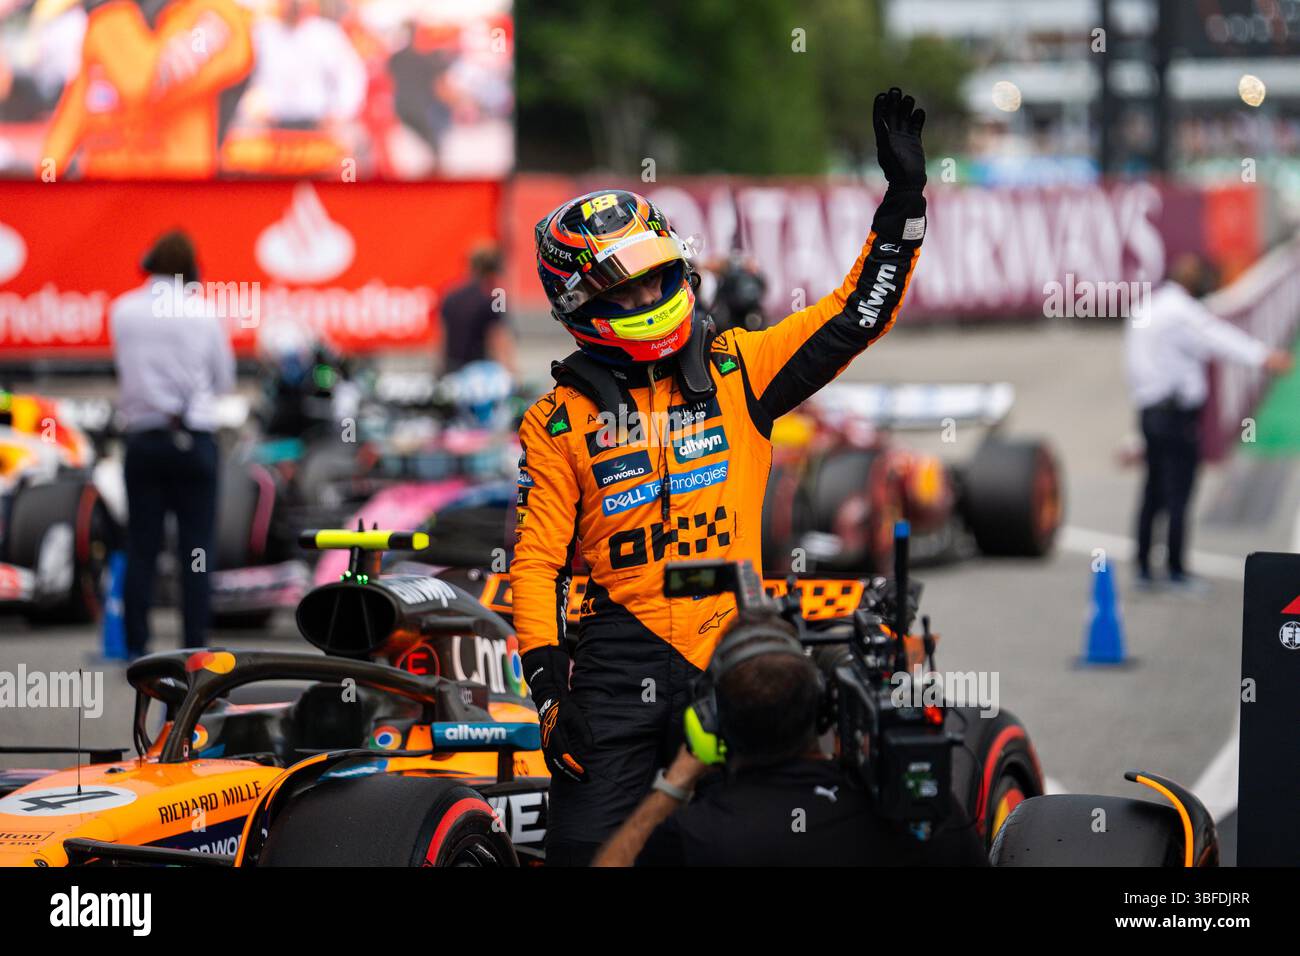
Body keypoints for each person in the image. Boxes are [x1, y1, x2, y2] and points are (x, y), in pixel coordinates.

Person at [511, 88, 929, 865]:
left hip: (734, 646)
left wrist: (903, 203)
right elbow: (534, 562)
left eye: (654, 278)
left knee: (764, 845)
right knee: (584, 852)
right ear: (577, 300)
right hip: (612, 660)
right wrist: (546, 685)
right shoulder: (556, 419)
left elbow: (855, 314)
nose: (646, 299)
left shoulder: (742, 366)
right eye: (623, 290)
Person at [591, 612, 989, 866]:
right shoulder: (920, 814)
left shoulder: (696, 839)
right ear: (823, 711)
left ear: (711, 724)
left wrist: (675, 782)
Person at [1125, 253, 1293, 590]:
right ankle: (1174, 571)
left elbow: (1134, 363)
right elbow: (1220, 339)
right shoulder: (1181, 312)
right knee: (1177, 495)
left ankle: (1144, 566)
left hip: (1149, 411)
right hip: (1175, 418)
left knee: (1153, 492)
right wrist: (1264, 357)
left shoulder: (1148, 307)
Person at [111, 230, 235, 657]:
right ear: (192, 270)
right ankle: (195, 648)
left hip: (143, 440)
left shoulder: (122, 310)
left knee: (141, 545)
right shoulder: (203, 313)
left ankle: (135, 646)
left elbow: (123, 368)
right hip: (194, 443)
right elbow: (224, 381)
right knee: (196, 549)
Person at [438, 242, 516, 375]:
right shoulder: (497, 296)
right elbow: (499, 339)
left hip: (451, 371)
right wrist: (511, 374)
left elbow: (442, 340)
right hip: (479, 374)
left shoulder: (451, 295)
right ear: (495, 270)